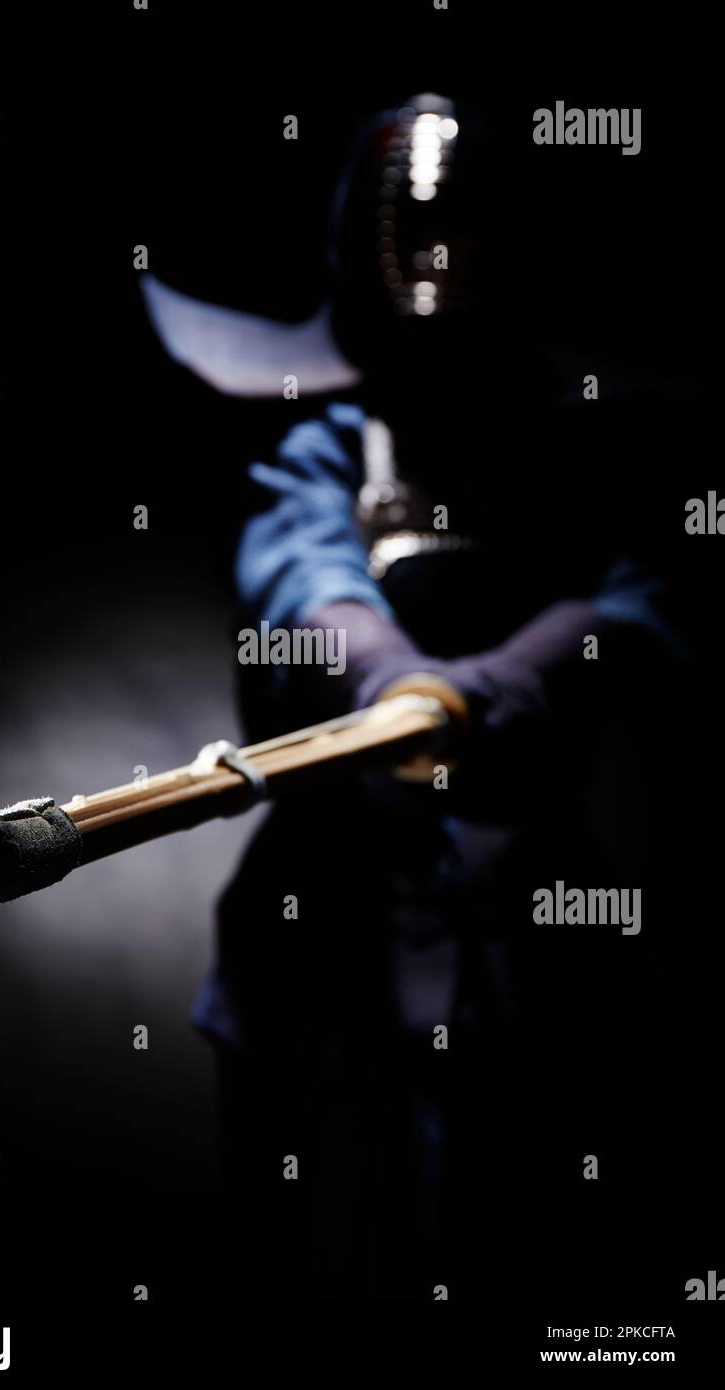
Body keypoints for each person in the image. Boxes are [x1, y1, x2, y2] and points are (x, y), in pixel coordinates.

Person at [175, 94, 684, 1304]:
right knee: (321, 1247)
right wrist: (387, 673)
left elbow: (652, 595)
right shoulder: (323, 444)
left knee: (531, 1239)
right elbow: (298, 575)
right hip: (332, 909)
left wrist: (522, 671)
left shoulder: (573, 448)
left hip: (524, 906)